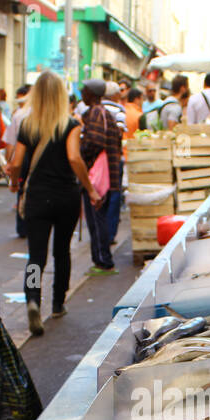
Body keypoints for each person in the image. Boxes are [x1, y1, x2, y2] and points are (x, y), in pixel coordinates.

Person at [7, 71, 100, 336]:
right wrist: (90, 189)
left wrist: (15, 182)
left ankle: (33, 299)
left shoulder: (28, 126)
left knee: (36, 256)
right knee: (62, 252)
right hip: (65, 197)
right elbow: (74, 158)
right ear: (61, 96)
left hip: (37, 196)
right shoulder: (71, 124)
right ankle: (58, 302)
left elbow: (14, 163)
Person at [78, 79, 123, 276]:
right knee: (100, 218)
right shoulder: (105, 114)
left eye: (84, 91)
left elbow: (94, 142)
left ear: (92, 94)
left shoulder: (96, 113)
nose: (82, 94)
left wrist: (81, 154)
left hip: (98, 176)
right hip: (108, 174)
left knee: (97, 220)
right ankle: (103, 259)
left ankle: (103, 261)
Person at [2, 84, 32, 239]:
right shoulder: (49, 114)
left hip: (24, 159)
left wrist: (10, 163)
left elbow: (11, 143)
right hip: (41, 162)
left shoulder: (19, 115)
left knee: (22, 190)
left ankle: (23, 227)